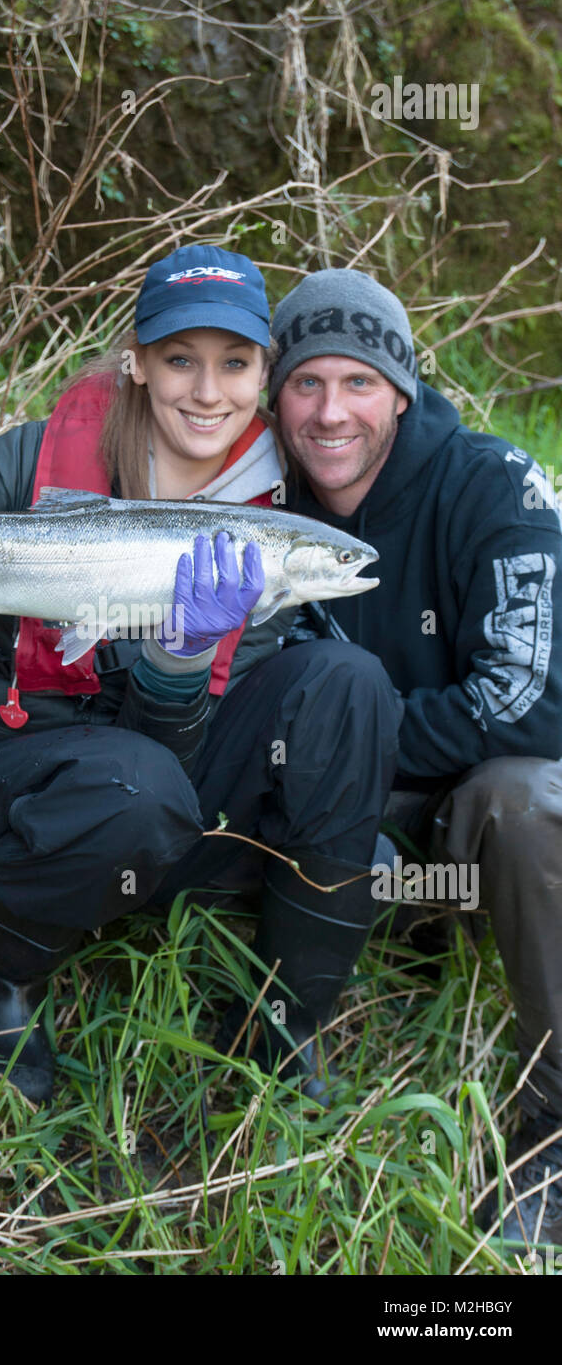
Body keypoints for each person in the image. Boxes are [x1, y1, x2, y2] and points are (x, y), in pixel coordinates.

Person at [0, 245, 399, 1109]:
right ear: (136, 364)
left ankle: (285, 1023)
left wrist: (182, 653)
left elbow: (167, 748)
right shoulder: (30, 460)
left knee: (348, 679)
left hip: (150, 800)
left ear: (264, 375)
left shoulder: (270, 526)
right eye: (180, 359)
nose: (207, 391)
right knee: (132, 785)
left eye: (235, 364)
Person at [266, 267, 562, 1246]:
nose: (329, 412)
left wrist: (356, 740)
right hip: (329, 839)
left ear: (399, 388)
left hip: (461, 848)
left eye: (357, 383)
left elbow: (531, 704)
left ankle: (549, 1138)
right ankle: (265, 1041)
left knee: (528, 798)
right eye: (305, 383)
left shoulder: (492, 486)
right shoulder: (252, 495)